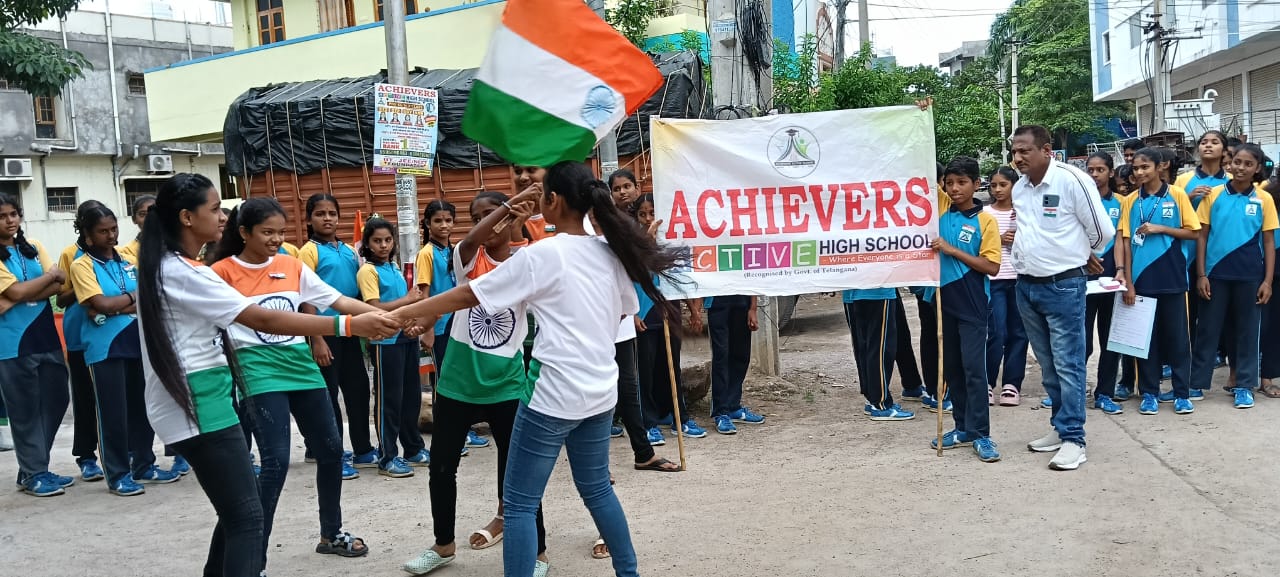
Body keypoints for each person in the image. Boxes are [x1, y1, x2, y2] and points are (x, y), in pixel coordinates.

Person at [390, 160, 680, 577]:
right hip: (600, 392)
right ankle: (628, 573)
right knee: (597, 489)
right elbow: (622, 313)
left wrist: (408, 314)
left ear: (554, 201)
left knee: (520, 501)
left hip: (552, 395)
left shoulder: (543, 254)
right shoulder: (608, 252)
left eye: (540, 190)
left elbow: (468, 295)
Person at [136, 173, 397, 577]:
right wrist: (346, 327)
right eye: (214, 208)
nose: (221, 216)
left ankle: (327, 533)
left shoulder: (173, 267)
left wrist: (382, 315)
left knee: (236, 512)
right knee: (248, 517)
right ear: (187, 218)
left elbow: (331, 300)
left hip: (206, 397)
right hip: (200, 403)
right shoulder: (191, 272)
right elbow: (261, 317)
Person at [209, 198, 375, 568]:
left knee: (332, 450)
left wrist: (385, 315)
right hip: (257, 370)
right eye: (267, 232)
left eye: (281, 232)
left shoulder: (291, 265)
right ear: (243, 233)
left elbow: (341, 302)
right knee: (275, 462)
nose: (275, 239)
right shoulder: (221, 272)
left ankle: (331, 534)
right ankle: (255, 557)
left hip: (301, 368)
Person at [401, 190, 551, 577]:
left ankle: (538, 553)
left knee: (519, 473)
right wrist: (505, 209)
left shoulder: (527, 263)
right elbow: (470, 239)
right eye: (480, 216)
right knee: (441, 469)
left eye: (496, 214)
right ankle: (443, 545)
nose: (490, 222)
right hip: (457, 385)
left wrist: (520, 219)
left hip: (507, 386)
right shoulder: (466, 260)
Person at [1008, 125, 1115, 471]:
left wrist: (1080, 254)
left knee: (1069, 364)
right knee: (1048, 364)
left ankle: (1074, 440)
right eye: (1014, 151)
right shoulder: (1021, 188)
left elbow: (1102, 232)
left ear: (1046, 150)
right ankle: (1059, 426)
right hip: (1026, 286)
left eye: (1025, 150)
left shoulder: (1072, 180)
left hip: (1063, 286)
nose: (1018, 157)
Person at [69, 203, 181, 496]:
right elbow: (99, 304)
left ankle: (144, 464)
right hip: (105, 349)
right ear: (88, 235)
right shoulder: (82, 265)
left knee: (142, 408)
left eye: (113, 229)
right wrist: (129, 299)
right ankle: (118, 473)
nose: (110, 236)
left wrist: (119, 303)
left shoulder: (127, 261)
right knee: (112, 414)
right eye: (102, 232)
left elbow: (148, 297)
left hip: (137, 343)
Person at [1190, 142, 1277, 410]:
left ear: (1257, 169)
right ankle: (1197, 382)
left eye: (1248, 164)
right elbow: (1201, 236)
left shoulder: (1264, 199)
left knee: (1248, 332)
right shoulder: (1213, 194)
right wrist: (1201, 274)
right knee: (1208, 329)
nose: (1241, 168)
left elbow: (1269, 242)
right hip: (1215, 274)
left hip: (1250, 276)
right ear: (1231, 164)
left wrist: (1267, 281)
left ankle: (1244, 386)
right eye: (1237, 162)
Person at [1117, 148, 1200, 417]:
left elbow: (1193, 233)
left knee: (1178, 339)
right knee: (1146, 342)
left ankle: (1181, 393)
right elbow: (1127, 243)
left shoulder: (1176, 195)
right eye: (1136, 168)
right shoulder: (1130, 201)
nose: (1140, 172)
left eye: (1145, 167)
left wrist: (1161, 228)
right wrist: (1128, 282)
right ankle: (1149, 393)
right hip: (1141, 281)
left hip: (1174, 278)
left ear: (1159, 167)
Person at [928, 156, 1001, 462]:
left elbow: (992, 266)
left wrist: (952, 250)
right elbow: (925, 171)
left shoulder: (986, 221)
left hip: (973, 304)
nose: (955, 189)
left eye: (962, 183)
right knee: (953, 370)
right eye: (950, 183)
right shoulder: (942, 209)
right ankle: (962, 427)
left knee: (974, 370)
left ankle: (982, 434)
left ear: (976, 184)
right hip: (945, 303)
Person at [0, 193, 73, 496]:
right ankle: (35, 473)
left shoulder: (34, 248)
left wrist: (20, 294)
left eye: (14, 214)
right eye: (3, 216)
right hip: (13, 343)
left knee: (57, 399)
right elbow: (16, 292)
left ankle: (32, 467)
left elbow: (60, 284)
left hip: (45, 335)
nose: (10, 220)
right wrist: (32, 287)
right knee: (25, 410)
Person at [298, 193, 372, 477]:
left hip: (352, 329)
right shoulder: (308, 251)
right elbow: (306, 296)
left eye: (332, 213)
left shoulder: (350, 250)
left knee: (358, 391)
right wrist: (315, 338)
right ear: (309, 219)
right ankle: (333, 453)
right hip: (324, 332)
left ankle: (364, 449)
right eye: (320, 213)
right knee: (328, 396)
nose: (327, 218)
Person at [630, 194, 707, 439]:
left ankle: (676, 415)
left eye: (652, 212)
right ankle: (649, 422)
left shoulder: (672, 241)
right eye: (643, 214)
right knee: (646, 369)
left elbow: (682, 276)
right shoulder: (633, 242)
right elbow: (629, 278)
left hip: (669, 312)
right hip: (645, 314)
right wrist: (632, 313)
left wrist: (693, 309)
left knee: (671, 365)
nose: (648, 218)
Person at [415, 200, 490, 450]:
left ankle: (464, 430)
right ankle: (444, 434)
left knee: (460, 378)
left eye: (448, 220)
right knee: (442, 382)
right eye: (438, 220)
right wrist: (426, 328)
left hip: (459, 323)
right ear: (427, 223)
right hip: (438, 326)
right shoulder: (426, 254)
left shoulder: (456, 250)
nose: (444, 225)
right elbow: (423, 292)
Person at [357, 218, 428, 477]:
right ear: (367, 244)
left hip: (405, 338)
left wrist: (410, 319)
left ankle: (413, 448)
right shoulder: (368, 271)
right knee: (389, 400)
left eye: (388, 240)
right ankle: (387, 457)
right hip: (384, 340)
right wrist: (407, 300)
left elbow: (402, 306)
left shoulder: (394, 267)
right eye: (377, 241)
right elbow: (372, 307)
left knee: (412, 397)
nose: (384, 245)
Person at [56, 200, 104, 483]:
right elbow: (61, 297)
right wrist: (84, 287)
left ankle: (125, 452)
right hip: (80, 334)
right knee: (84, 396)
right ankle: (86, 456)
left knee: (115, 398)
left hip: (110, 333)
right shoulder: (70, 254)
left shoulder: (116, 255)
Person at [1082, 152, 1126, 415]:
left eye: (1100, 169)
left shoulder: (1121, 202)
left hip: (1111, 279)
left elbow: (1120, 238)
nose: (1095, 174)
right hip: (1082, 279)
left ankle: (1105, 393)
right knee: (1081, 342)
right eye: (1091, 169)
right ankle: (1071, 392)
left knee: (1110, 339)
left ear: (1111, 172)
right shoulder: (1081, 200)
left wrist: (1120, 270)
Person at [984, 165, 1027, 407]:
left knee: (1019, 333)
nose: (998, 189)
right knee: (996, 331)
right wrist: (998, 240)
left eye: (1003, 185)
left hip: (1020, 278)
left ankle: (1012, 384)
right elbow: (978, 245)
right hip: (994, 279)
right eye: (993, 185)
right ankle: (988, 383)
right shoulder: (985, 213)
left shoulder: (1023, 212)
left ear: (1014, 186)